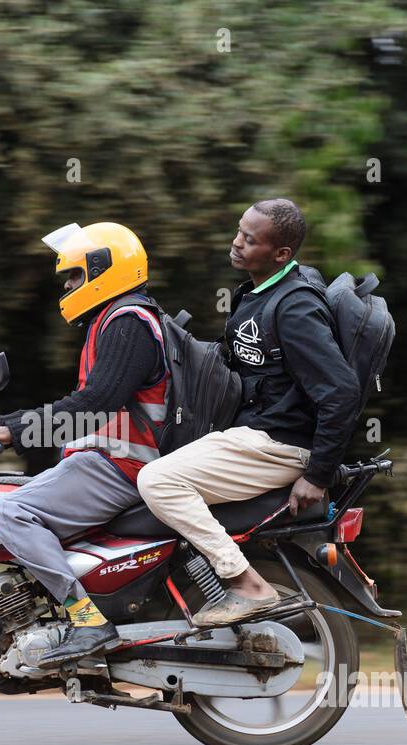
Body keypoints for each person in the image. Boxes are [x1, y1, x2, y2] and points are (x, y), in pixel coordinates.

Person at [136, 198, 359, 626]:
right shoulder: (257, 293)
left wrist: (318, 474)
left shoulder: (294, 306)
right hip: (253, 433)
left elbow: (341, 392)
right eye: (239, 231)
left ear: (281, 254)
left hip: (278, 443)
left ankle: (245, 583)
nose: (236, 243)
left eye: (249, 240)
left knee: (158, 480)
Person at [0, 222, 170, 667]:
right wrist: (6, 428)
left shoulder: (128, 323)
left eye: (75, 276)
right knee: (8, 496)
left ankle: (87, 621)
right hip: (107, 463)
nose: (69, 287)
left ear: (104, 270)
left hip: (121, 467)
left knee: (9, 512)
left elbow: (94, 404)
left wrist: (8, 429)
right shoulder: (114, 322)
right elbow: (87, 411)